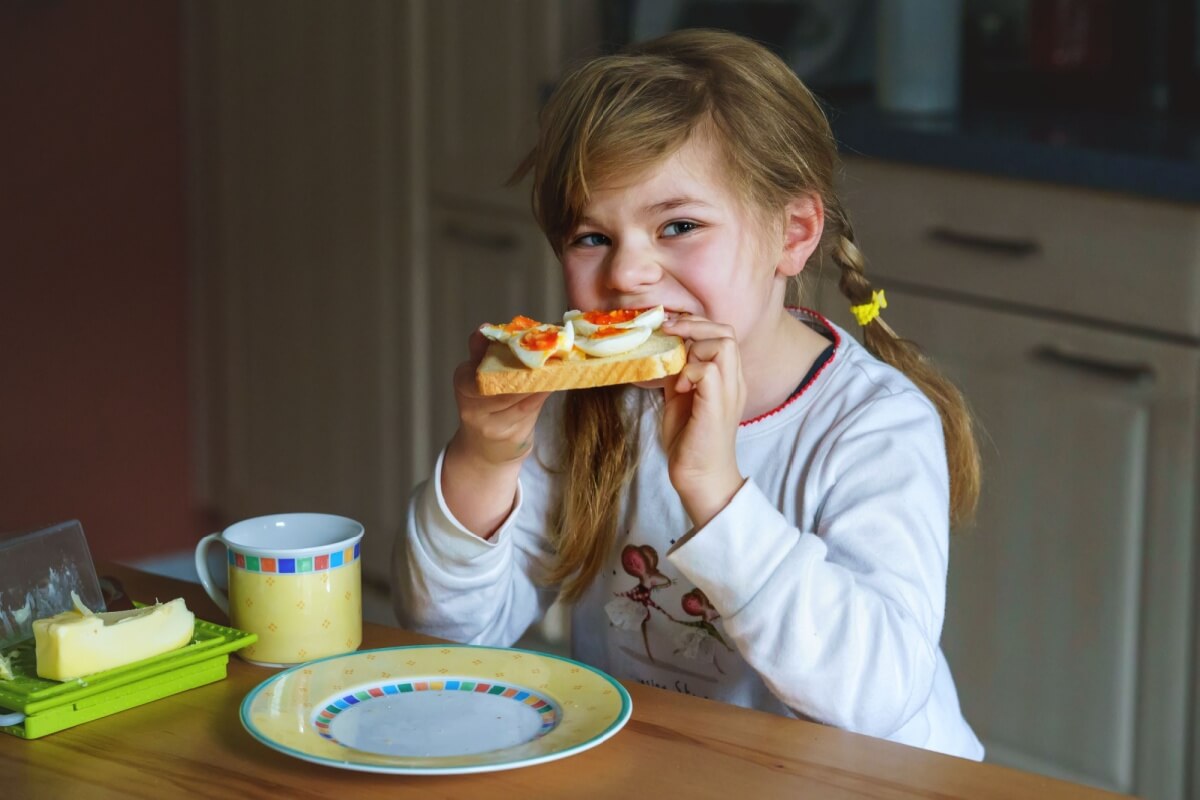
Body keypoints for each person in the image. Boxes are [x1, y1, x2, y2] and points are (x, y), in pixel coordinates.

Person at [393, 28, 984, 760]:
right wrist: (484, 458)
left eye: (678, 226)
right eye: (590, 237)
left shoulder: (874, 428)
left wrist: (715, 489)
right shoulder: (590, 401)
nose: (628, 274)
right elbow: (448, 639)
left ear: (792, 234)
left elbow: (879, 696)